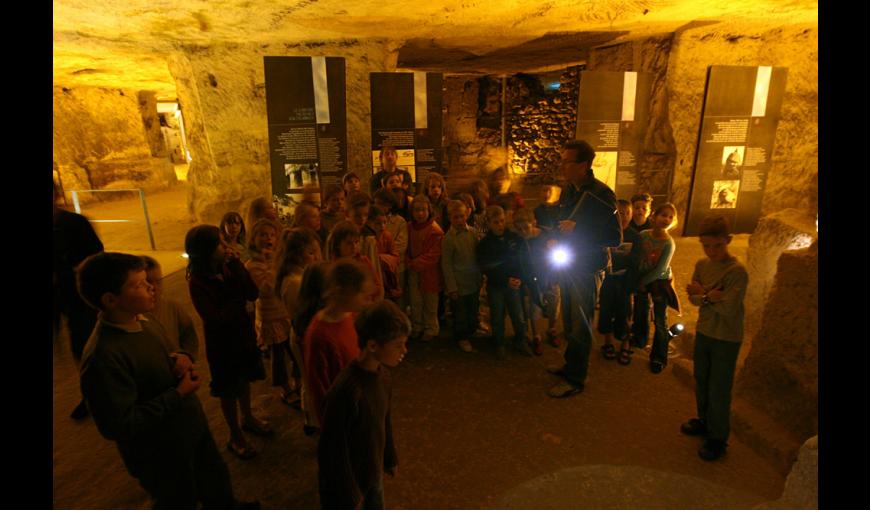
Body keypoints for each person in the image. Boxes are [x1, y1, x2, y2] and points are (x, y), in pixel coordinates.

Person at [77, 252, 259, 510]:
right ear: (110, 299)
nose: (152, 287)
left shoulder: (144, 319)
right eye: (139, 284)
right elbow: (118, 425)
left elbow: (169, 352)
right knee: (177, 498)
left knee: (213, 479)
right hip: (160, 452)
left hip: (190, 428)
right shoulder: (103, 357)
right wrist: (178, 394)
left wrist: (181, 357)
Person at [185, 225, 271, 460]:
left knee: (244, 380)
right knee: (228, 388)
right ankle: (235, 435)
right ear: (206, 251)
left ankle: (248, 418)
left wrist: (236, 266)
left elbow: (252, 293)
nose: (227, 247)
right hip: (222, 345)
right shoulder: (198, 282)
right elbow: (215, 318)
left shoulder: (229, 267)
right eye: (220, 244)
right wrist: (238, 302)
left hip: (243, 336)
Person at [547, 140, 622, 398]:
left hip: (588, 268)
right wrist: (557, 233)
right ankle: (570, 365)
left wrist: (578, 229)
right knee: (568, 318)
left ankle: (576, 379)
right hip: (569, 262)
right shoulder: (569, 190)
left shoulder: (602, 195)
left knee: (581, 323)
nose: (562, 166)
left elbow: (614, 237)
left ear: (583, 165)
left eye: (567, 161)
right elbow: (563, 221)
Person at [318, 300, 408, 510]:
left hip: (372, 472)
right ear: (372, 345)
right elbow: (331, 449)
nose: (404, 350)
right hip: (348, 486)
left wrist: (389, 456)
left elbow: (384, 420)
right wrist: (349, 494)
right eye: (398, 345)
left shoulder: (384, 377)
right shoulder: (346, 391)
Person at [682, 216, 748, 461]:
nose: (711, 251)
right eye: (706, 246)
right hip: (705, 331)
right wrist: (712, 297)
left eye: (717, 246)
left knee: (719, 387)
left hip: (726, 337)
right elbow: (692, 298)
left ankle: (718, 437)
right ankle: (704, 420)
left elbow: (729, 309)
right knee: (702, 379)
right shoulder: (702, 265)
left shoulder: (737, 272)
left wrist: (705, 296)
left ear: (728, 241)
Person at [54, 182, 104, 419]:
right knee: (79, 348)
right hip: (60, 298)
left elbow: (95, 257)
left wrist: (69, 272)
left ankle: (101, 394)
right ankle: (92, 394)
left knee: (89, 346)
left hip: (81, 298)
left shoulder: (75, 224)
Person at [303, 260, 375, 426]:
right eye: (362, 293)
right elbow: (319, 386)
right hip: (342, 413)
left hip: (356, 400)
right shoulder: (319, 335)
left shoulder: (349, 316)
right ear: (343, 292)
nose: (367, 299)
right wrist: (330, 424)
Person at [245, 219, 298, 406]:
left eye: (272, 235)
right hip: (270, 316)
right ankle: (285, 388)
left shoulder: (279, 259)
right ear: (253, 239)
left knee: (295, 350)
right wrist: (270, 265)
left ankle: (298, 382)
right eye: (263, 235)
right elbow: (266, 288)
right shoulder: (251, 266)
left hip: (286, 312)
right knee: (278, 356)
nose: (268, 238)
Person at [276, 228, 323, 434]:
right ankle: (312, 421)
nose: (315, 257)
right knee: (310, 381)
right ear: (296, 254)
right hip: (305, 335)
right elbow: (302, 314)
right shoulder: (294, 282)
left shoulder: (302, 274)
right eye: (310, 252)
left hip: (308, 332)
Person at [476, 205, 532, 359]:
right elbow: (487, 267)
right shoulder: (485, 244)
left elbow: (523, 260)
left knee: (518, 315)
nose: (500, 225)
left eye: (501, 221)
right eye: (495, 222)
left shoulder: (515, 238)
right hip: (496, 286)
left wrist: (520, 278)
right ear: (489, 223)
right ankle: (499, 343)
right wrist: (505, 279)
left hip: (514, 283)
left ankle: (520, 340)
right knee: (497, 315)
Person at [634, 203, 679, 374]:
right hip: (643, 280)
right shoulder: (643, 235)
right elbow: (637, 256)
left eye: (670, 217)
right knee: (641, 310)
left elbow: (661, 269)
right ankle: (640, 338)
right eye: (663, 215)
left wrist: (643, 281)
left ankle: (659, 356)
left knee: (661, 319)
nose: (666, 219)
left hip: (660, 282)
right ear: (654, 216)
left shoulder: (669, 243)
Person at [597, 200, 641, 365]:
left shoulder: (635, 237)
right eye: (618, 213)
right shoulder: (606, 234)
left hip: (625, 281)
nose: (622, 216)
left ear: (631, 215)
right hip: (607, 280)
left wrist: (632, 286)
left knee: (625, 314)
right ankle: (607, 343)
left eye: (626, 213)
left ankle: (625, 344)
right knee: (606, 311)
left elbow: (636, 262)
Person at [513, 207, 556, 356]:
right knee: (533, 307)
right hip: (531, 278)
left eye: (526, 227)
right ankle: (536, 335)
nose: (523, 231)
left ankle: (552, 329)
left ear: (534, 223)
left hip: (549, 275)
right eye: (519, 229)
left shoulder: (546, 236)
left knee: (553, 303)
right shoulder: (518, 240)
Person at [441, 200, 481, 353]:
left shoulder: (473, 233)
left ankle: (470, 332)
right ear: (450, 218)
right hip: (459, 284)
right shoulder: (449, 239)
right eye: (455, 217)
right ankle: (461, 337)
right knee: (460, 314)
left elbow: (477, 256)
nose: (459, 220)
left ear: (467, 215)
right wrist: (452, 287)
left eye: (462, 216)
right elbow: (447, 264)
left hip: (473, 282)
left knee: (472, 310)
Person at [142, 255, 199, 358]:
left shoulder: (173, 308)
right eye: (148, 282)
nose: (155, 287)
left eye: (158, 281)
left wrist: (187, 357)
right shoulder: (133, 316)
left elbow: (189, 337)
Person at [406, 195, 444, 342]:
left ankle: (431, 328)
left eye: (423, 210)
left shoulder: (435, 230)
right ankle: (417, 327)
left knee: (430, 303)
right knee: (415, 301)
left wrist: (414, 263)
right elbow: (406, 248)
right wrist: (409, 261)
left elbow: (433, 255)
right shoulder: (409, 227)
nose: (420, 214)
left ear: (429, 210)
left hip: (429, 273)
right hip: (414, 272)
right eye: (416, 210)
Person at [328, 221, 384, 302]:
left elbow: (378, 286)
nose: (354, 246)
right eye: (349, 243)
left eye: (356, 242)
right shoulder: (334, 266)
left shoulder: (363, 261)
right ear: (337, 245)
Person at [628, 192, 654, 349]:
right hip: (630, 269)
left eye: (644, 208)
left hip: (644, 271)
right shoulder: (627, 225)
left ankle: (640, 337)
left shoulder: (652, 228)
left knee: (643, 303)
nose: (640, 211)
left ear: (649, 210)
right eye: (636, 207)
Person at [373, 188, 408, 303]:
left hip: (395, 268)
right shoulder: (369, 221)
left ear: (390, 206)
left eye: (383, 204)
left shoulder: (399, 221)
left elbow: (400, 246)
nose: (379, 207)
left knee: (397, 302)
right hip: (375, 269)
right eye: (376, 203)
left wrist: (379, 257)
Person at [363, 205, 401, 300]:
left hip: (386, 275)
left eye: (384, 222)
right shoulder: (367, 238)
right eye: (378, 223)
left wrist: (380, 258)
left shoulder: (387, 235)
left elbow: (395, 256)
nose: (382, 226)